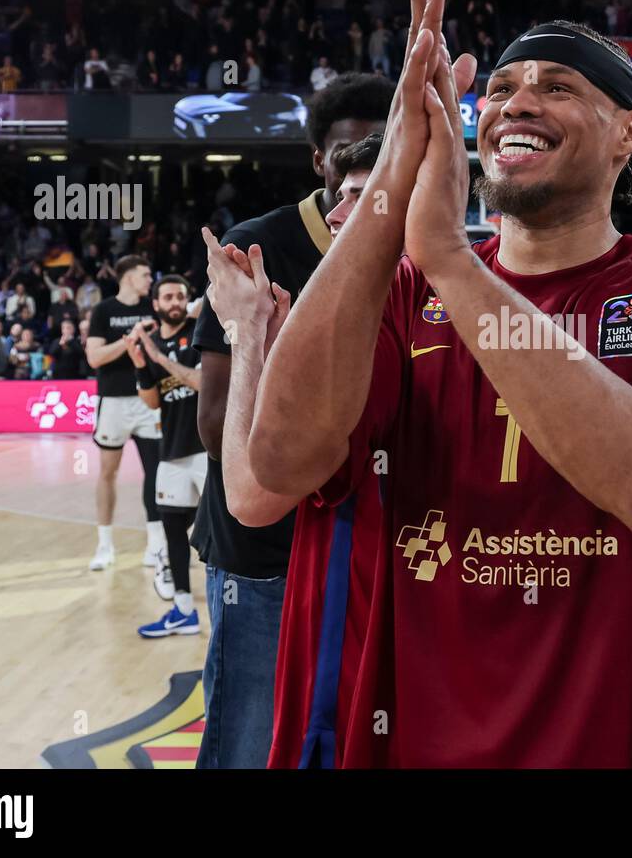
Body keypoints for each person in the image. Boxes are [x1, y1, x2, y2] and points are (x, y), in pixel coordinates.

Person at [244, 0, 632, 767]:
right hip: (409, 736)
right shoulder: (396, 290)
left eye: (558, 87)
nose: (517, 104)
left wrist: (457, 266)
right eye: (498, 90)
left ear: (630, 131)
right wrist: (393, 168)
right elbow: (282, 461)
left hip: (614, 741)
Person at [190, 73, 391, 769]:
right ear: (317, 161)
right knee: (249, 740)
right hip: (266, 555)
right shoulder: (258, 246)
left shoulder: (413, 247)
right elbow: (214, 426)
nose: (362, 167)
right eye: (346, 154)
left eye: (382, 149)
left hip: (364, 549)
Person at [130, 275, 205, 638]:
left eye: (180, 295)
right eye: (168, 296)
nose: (175, 301)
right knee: (173, 529)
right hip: (172, 450)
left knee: (220, 531)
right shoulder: (149, 342)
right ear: (156, 304)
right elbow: (153, 400)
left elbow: (205, 383)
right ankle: (183, 611)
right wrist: (142, 364)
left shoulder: (204, 329)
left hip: (210, 448)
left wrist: (159, 358)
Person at [85, 255, 163, 571]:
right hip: (113, 401)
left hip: (147, 400)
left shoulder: (153, 308)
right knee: (108, 473)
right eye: (145, 275)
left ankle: (156, 547)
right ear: (129, 277)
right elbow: (94, 357)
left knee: (155, 472)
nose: (149, 280)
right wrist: (131, 338)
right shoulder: (104, 310)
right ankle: (104, 546)